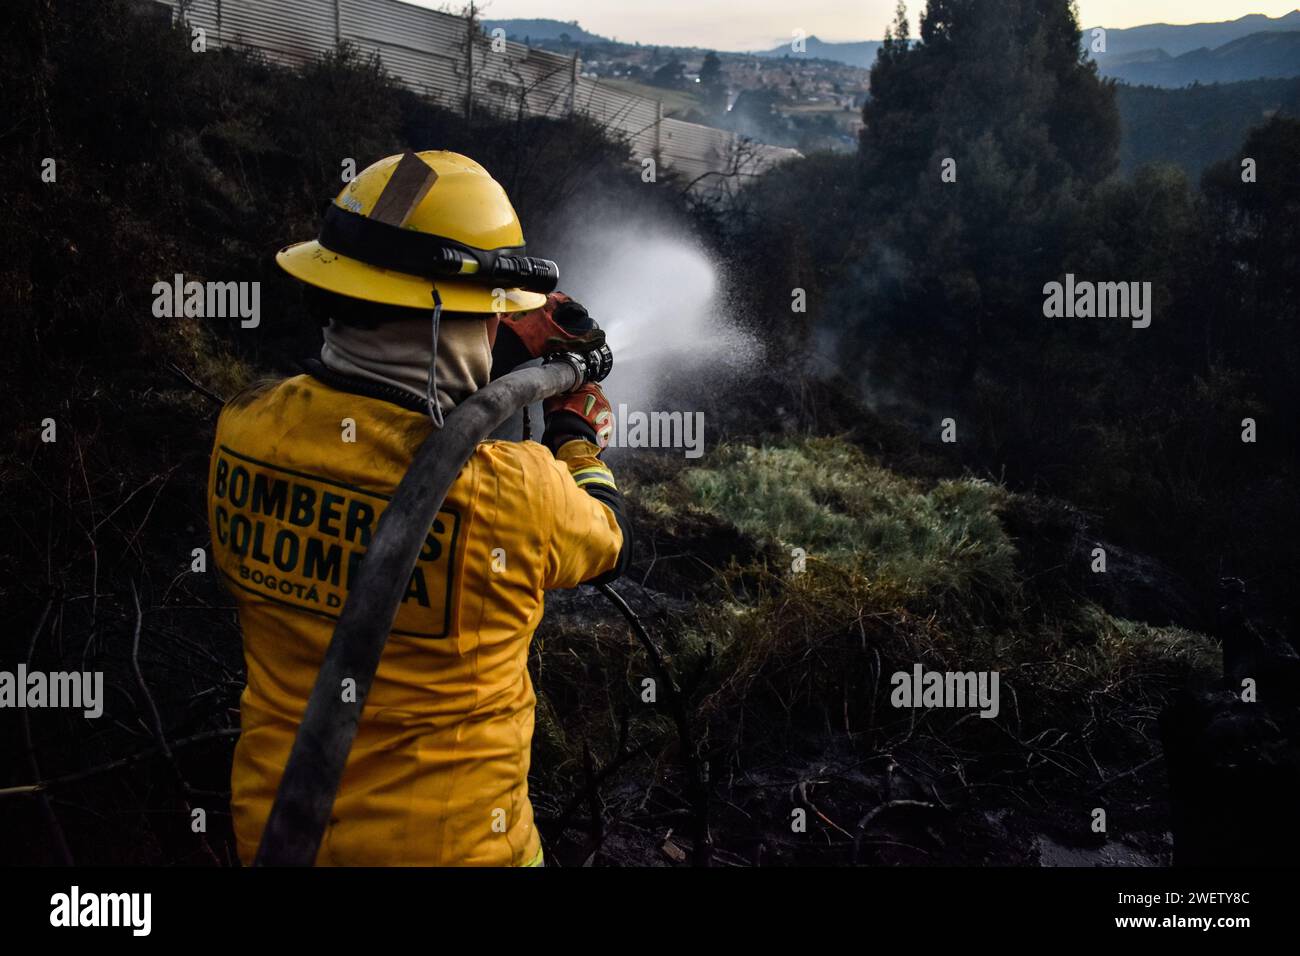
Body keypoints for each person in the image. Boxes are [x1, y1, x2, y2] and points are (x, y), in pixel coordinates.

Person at [206, 150, 629, 866]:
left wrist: (486, 343)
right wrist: (575, 434)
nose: (498, 330)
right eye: (489, 318)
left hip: (277, 840)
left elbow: (395, 386)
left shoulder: (243, 432)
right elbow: (615, 540)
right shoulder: (514, 491)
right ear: (446, 321)